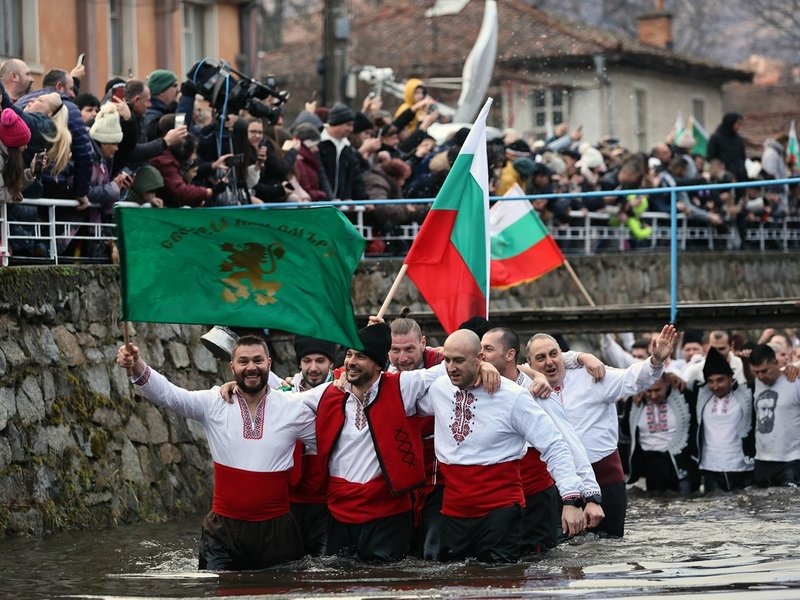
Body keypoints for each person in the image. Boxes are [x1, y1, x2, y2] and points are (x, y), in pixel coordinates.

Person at [115, 335, 316, 570]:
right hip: (222, 534)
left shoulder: (293, 407)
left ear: (269, 364)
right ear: (232, 366)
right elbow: (170, 395)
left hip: (277, 533)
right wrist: (137, 365)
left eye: (258, 360)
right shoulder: (214, 403)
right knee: (216, 589)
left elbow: (334, 442)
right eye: (243, 361)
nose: (251, 367)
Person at [417, 329, 585, 563]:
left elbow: (554, 444)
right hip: (454, 511)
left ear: (479, 358)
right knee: (455, 580)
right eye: (447, 360)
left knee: (501, 579)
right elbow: (401, 393)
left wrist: (571, 498)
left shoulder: (513, 396)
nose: (451, 367)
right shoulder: (439, 388)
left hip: (500, 512)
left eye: (459, 361)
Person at [526, 324, 676, 537]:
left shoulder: (591, 376)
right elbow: (508, 368)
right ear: (530, 364)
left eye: (554, 354)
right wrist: (580, 356)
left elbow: (632, 379)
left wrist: (655, 361)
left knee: (608, 549)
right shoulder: (525, 388)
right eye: (540, 358)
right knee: (561, 551)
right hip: (557, 485)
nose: (549, 362)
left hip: (605, 479)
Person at [480, 327, 603, 555]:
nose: (481, 356)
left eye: (487, 349)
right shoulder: (478, 387)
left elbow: (568, 443)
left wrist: (589, 496)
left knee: (540, 567)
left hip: (536, 498)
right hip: (496, 501)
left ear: (509, 354)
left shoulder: (539, 392)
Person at [285, 335, 338, 557]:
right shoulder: (283, 393)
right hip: (290, 498)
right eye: (307, 361)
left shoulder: (344, 391)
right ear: (299, 362)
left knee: (326, 567)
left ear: (331, 362)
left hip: (329, 500)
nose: (313, 368)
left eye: (320, 361)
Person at [625, 375, 698, 494]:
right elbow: (625, 431)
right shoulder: (635, 401)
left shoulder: (684, 396)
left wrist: (672, 375)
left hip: (681, 465)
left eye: (658, 390)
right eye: (649, 391)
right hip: (651, 466)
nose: (653, 395)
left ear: (667, 384)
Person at [694, 347, 754, 492]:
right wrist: (671, 375)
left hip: (742, 467)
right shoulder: (700, 394)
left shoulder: (746, 393)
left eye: (720, 380)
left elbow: (757, 382)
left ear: (730, 377)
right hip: (710, 468)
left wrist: (746, 364)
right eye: (710, 381)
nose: (715, 386)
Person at [748, 344, 800, 487]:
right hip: (762, 459)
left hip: (791, 460)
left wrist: (794, 366)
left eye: (764, 371)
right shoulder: (757, 383)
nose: (761, 376)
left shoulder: (795, 382)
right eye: (756, 372)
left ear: (776, 363)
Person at [317, 103, 367, 202]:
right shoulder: (317, 143)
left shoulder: (348, 148)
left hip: (342, 204)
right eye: (348, 125)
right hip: (321, 202)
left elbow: (355, 177)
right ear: (336, 122)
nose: (351, 129)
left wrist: (363, 199)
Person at [0, 108, 33, 204]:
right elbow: (1, 195)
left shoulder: (6, 155)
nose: (26, 147)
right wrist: (13, 194)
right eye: (23, 144)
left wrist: (31, 173)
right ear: (13, 145)